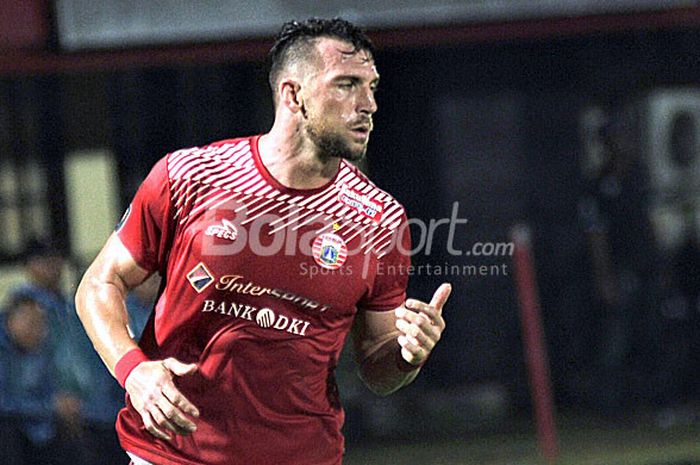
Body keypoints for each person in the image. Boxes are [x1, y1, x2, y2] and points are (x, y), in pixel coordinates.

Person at [75, 17, 451, 465]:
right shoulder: (188, 176)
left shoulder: (381, 219)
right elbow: (99, 284)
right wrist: (133, 371)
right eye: (346, 85)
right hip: (172, 454)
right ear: (293, 95)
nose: (367, 103)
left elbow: (378, 368)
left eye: (371, 86)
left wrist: (408, 354)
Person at [0, 295, 82, 464]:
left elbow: (56, 391)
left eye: (40, 322)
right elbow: (5, 402)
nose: (35, 329)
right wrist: (49, 406)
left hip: (43, 430)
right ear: (9, 322)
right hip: (12, 432)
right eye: (29, 322)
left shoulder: (45, 352)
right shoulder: (4, 354)